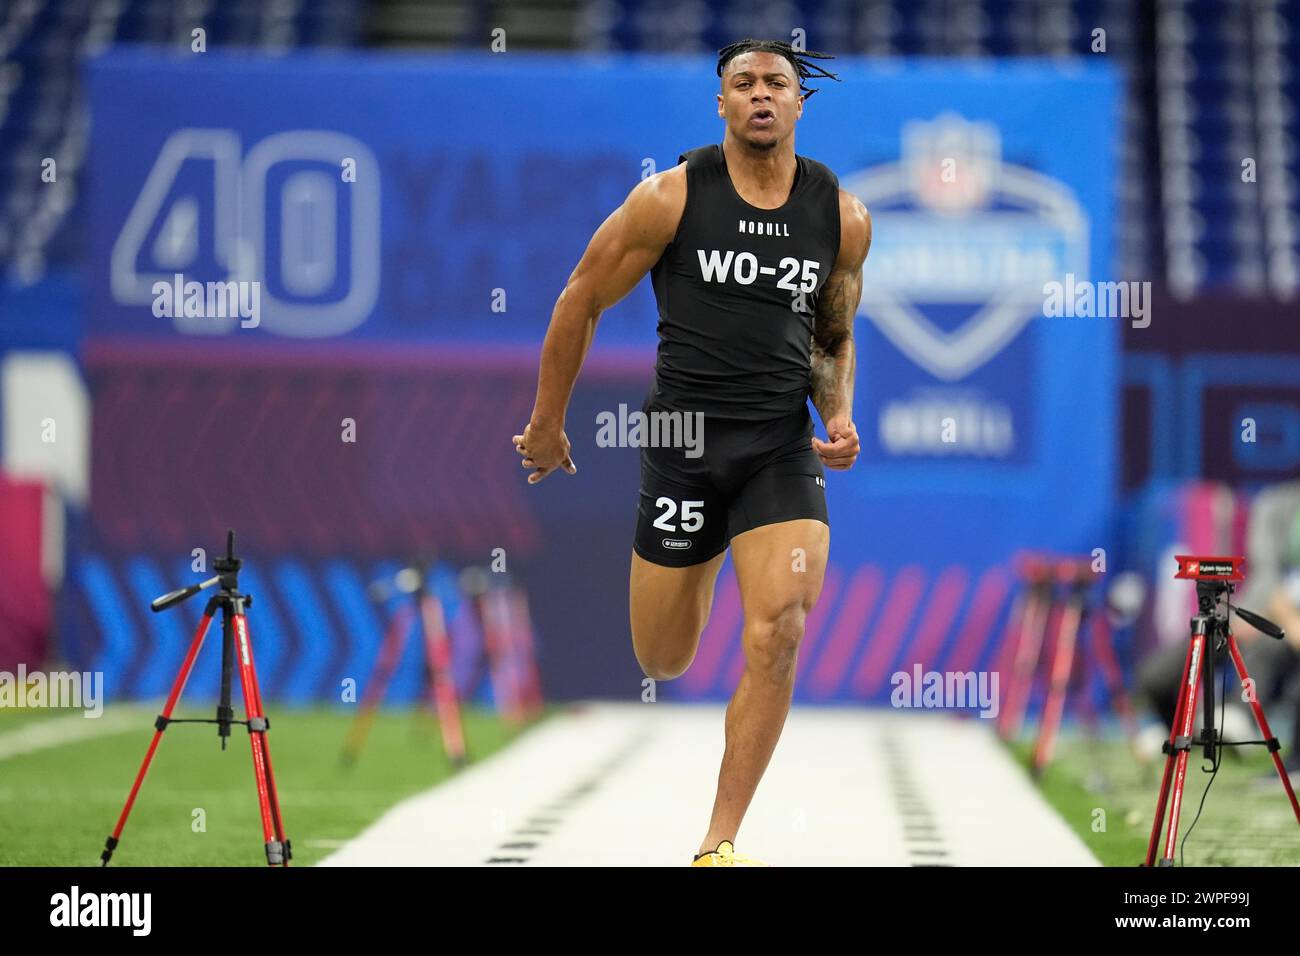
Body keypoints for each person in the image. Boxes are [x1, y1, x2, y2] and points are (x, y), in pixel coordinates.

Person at [513, 38, 872, 865]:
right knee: (663, 656)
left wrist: (840, 410)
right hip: (683, 447)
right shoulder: (669, 198)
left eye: (775, 83)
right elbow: (580, 297)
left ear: (798, 103)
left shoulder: (842, 217)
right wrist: (547, 422)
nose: (759, 95)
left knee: (779, 626)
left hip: (779, 448)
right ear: (720, 104)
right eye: (741, 83)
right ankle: (701, 558)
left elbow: (833, 331)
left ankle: (719, 843)